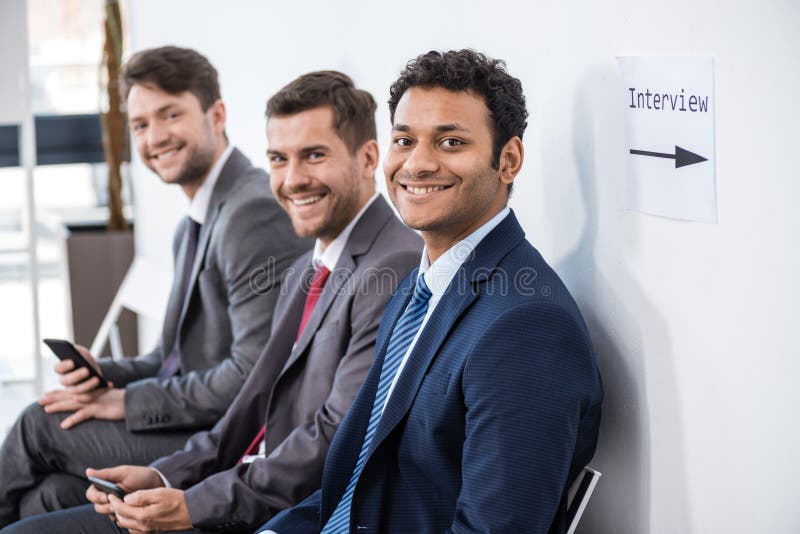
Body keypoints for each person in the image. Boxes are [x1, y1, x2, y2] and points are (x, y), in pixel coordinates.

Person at [1, 71, 422, 534]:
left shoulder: (392, 265)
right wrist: (164, 475)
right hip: (240, 482)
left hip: (282, 511)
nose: (292, 179)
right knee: (46, 500)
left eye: (314, 155)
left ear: (368, 158)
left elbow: (334, 436)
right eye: (278, 159)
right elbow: (251, 402)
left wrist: (192, 504)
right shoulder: (311, 265)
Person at [261, 49, 604, 534]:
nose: (417, 164)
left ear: (508, 161)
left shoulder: (527, 327)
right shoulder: (417, 287)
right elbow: (360, 483)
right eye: (404, 140)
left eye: (450, 142)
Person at [0, 46, 311, 527]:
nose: (154, 137)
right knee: (48, 495)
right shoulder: (195, 222)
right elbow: (171, 358)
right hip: (193, 418)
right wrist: (104, 374)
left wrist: (126, 402)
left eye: (170, 114)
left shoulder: (250, 211)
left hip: (224, 437)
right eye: (141, 124)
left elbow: (251, 375)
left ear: (217, 115)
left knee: (38, 426)